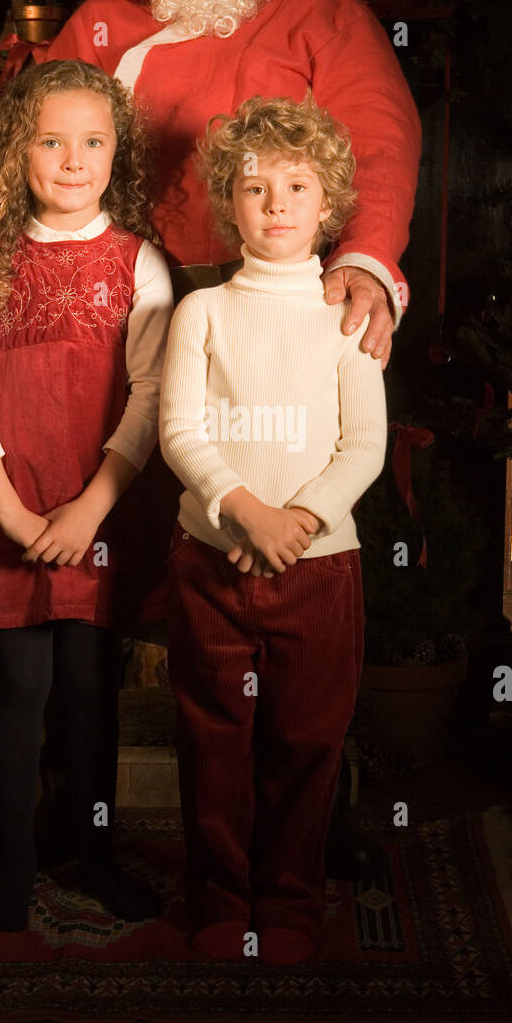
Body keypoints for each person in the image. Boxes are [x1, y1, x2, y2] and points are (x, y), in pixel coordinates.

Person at [0, 0, 421, 867]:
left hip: (278, 310)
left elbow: (378, 141)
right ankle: (77, 822)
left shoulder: (318, 11)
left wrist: (364, 262)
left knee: (279, 557)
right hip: (118, 318)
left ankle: (303, 826)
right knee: (113, 579)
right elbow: (31, 136)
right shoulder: (99, 28)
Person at [0, 59, 174, 931]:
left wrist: (86, 513)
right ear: (16, 151)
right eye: (49, 140)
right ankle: (20, 863)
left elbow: (151, 399)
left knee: (90, 690)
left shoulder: (142, 264)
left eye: (93, 141)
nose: (73, 160)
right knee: (22, 689)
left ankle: (97, 854)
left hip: (98, 510)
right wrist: (16, 518)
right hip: (12, 507)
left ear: (117, 153)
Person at [160, 94, 386, 965]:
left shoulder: (347, 317)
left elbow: (363, 443)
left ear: (327, 204)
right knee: (215, 738)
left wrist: (300, 520)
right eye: (257, 188)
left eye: (298, 186)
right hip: (211, 561)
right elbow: (182, 429)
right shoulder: (202, 312)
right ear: (232, 205)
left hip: (320, 570)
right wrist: (242, 509)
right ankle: (219, 898)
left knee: (305, 739)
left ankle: (289, 903)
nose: (279, 202)